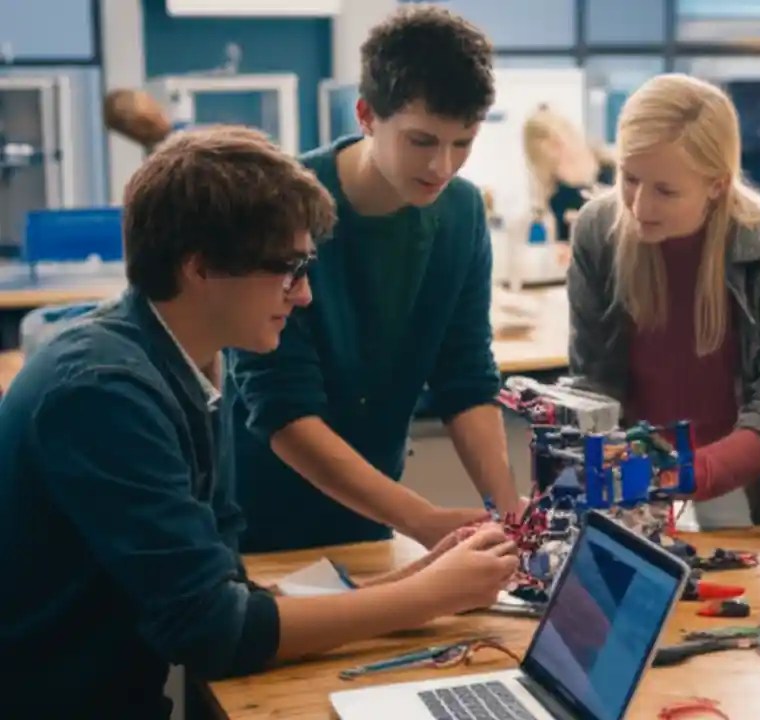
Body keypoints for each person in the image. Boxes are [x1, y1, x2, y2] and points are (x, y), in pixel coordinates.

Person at [0, 126, 518, 719]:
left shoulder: (192, 362)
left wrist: (415, 584)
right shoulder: (103, 395)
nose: (303, 297)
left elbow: (225, 590)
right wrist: (426, 598)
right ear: (200, 268)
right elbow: (212, 632)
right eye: (288, 270)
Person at [222, 5, 523, 553]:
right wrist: (423, 520)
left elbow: (466, 374)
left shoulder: (460, 212)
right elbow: (282, 407)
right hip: (257, 521)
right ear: (366, 115)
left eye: (463, 143)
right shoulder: (280, 205)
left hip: (371, 515)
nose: (443, 166)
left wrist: (510, 515)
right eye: (422, 141)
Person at [567, 73, 760, 528]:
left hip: (741, 481)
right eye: (629, 178)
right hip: (634, 478)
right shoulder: (598, 232)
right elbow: (594, 381)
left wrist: (684, 475)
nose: (640, 207)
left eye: (666, 191)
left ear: (717, 185)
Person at [523, 105, 617, 246]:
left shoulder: (609, 164)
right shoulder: (553, 193)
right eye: (551, 146)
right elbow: (560, 241)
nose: (560, 150)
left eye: (558, 142)